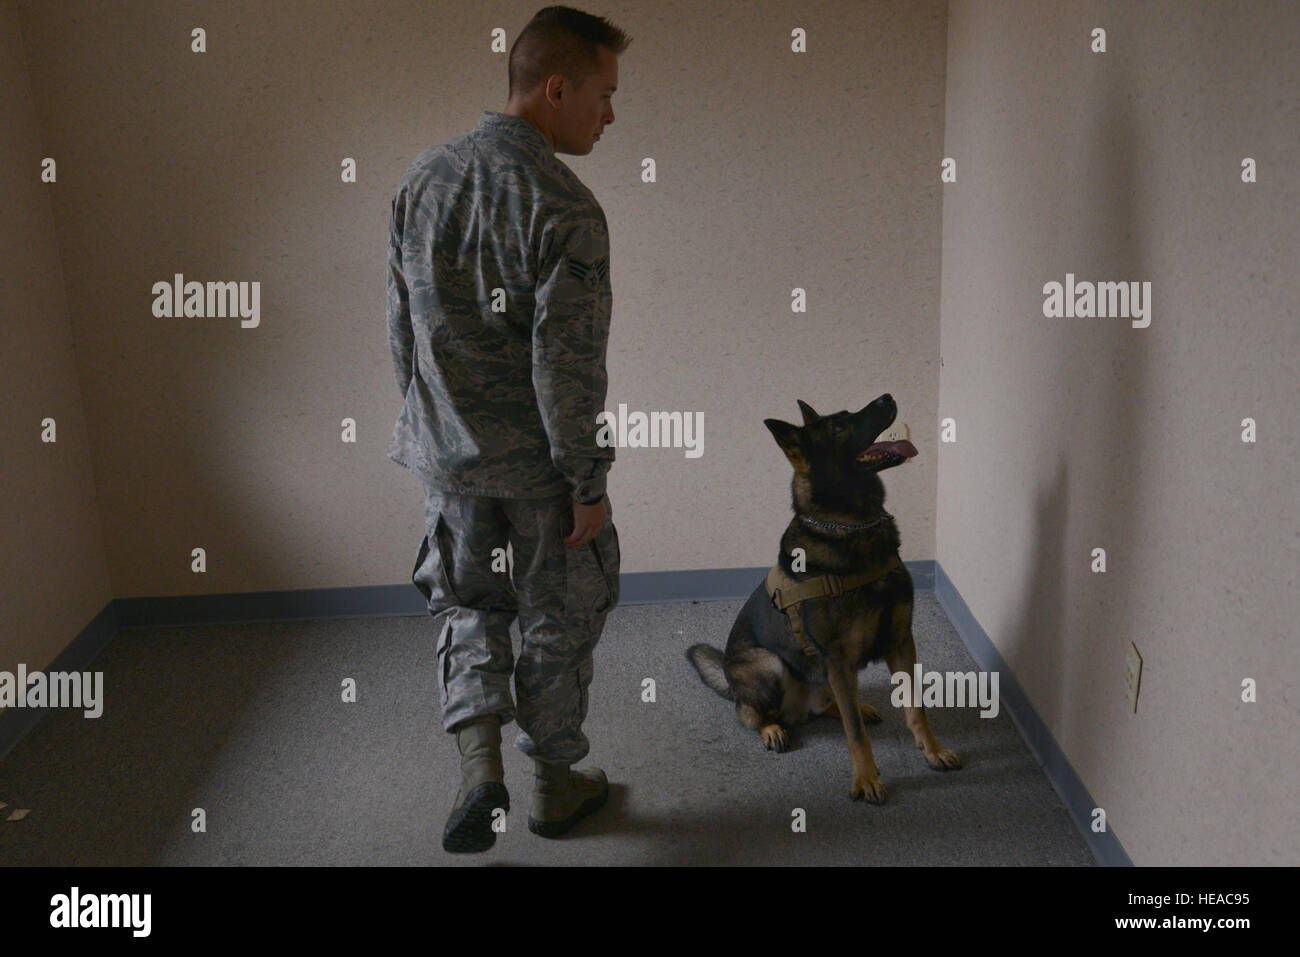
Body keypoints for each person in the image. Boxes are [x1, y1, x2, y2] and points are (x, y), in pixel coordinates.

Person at [386, 6, 631, 853]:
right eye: (602, 94)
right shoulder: (566, 207)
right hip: (537, 473)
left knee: (468, 607)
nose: (610, 114)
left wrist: (430, 436)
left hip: (448, 459)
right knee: (557, 621)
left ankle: (479, 769)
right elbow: (565, 372)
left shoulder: (424, 178)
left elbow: (401, 333)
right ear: (555, 87)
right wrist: (587, 486)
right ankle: (556, 785)